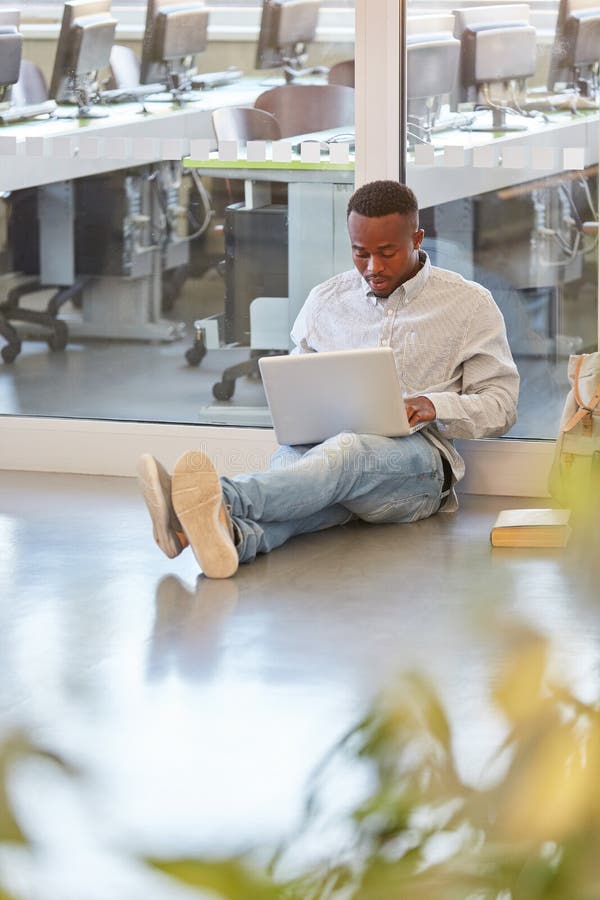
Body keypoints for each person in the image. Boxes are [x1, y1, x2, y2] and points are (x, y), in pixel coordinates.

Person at [137, 180, 519, 579]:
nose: (373, 267)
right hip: (321, 454)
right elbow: (296, 388)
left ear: (417, 238)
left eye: (387, 253)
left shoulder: (469, 304)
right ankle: (229, 536)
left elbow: (501, 406)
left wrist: (433, 404)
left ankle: (215, 499)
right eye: (361, 253)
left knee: (346, 453)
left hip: (416, 469)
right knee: (306, 475)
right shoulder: (325, 300)